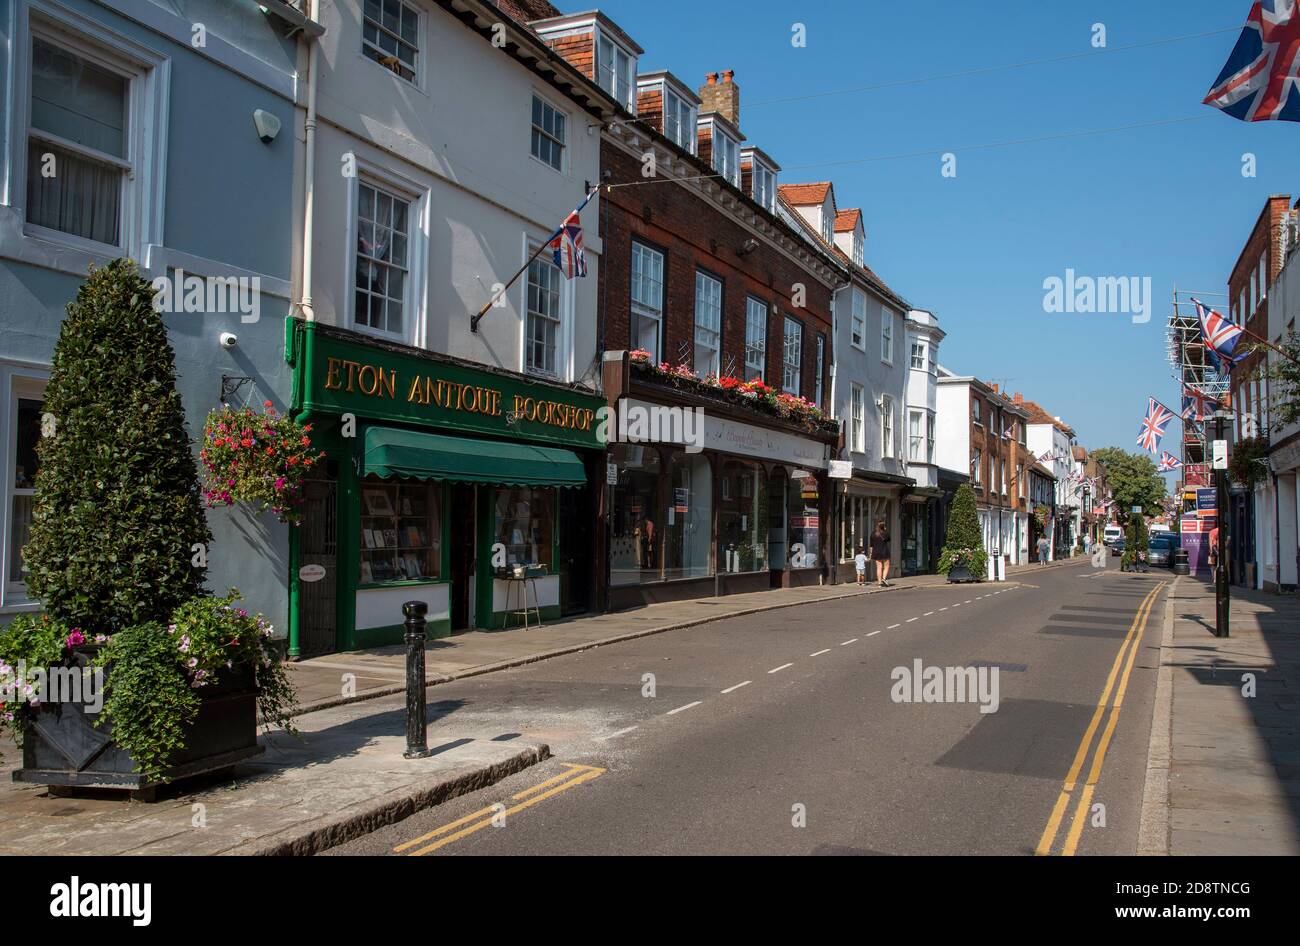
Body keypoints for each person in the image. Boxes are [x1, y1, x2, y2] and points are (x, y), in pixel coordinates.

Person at [870, 521, 892, 587]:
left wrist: (871, 553)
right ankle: (884, 578)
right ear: (884, 526)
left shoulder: (873, 534)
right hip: (884, 551)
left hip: (876, 552)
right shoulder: (886, 533)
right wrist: (884, 530)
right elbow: (889, 539)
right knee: (886, 566)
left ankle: (879, 583)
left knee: (879, 567)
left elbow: (871, 545)